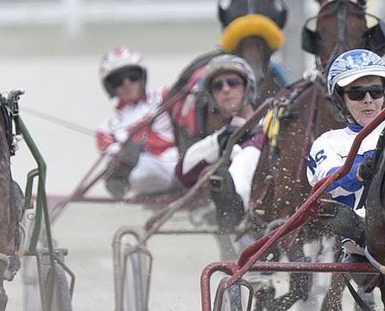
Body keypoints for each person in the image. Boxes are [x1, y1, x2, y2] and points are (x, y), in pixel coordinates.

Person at [305, 48, 385, 254]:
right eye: (357, 93)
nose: (368, 99)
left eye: (376, 91)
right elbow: (326, 180)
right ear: (340, 99)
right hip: (362, 236)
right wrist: (359, 171)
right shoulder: (329, 142)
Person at [176, 54, 264, 232]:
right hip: (239, 228)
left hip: (269, 210)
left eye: (232, 82)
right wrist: (220, 142)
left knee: (245, 153)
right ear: (212, 96)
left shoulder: (270, 125)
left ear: (248, 88)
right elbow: (183, 173)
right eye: (217, 86)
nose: (225, 90)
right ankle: (231, 207)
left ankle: (236, 206)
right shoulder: (222, 137)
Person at [95, 46, 180, 199]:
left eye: (132, 76)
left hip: (181, 165)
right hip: (145, 175)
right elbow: (113, 157)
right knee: (140, 167)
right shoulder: (106, 129)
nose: (127, 83)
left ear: (142, 77)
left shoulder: (164, 96)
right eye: (118, 81)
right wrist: (124, 155)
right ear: (110, 87)